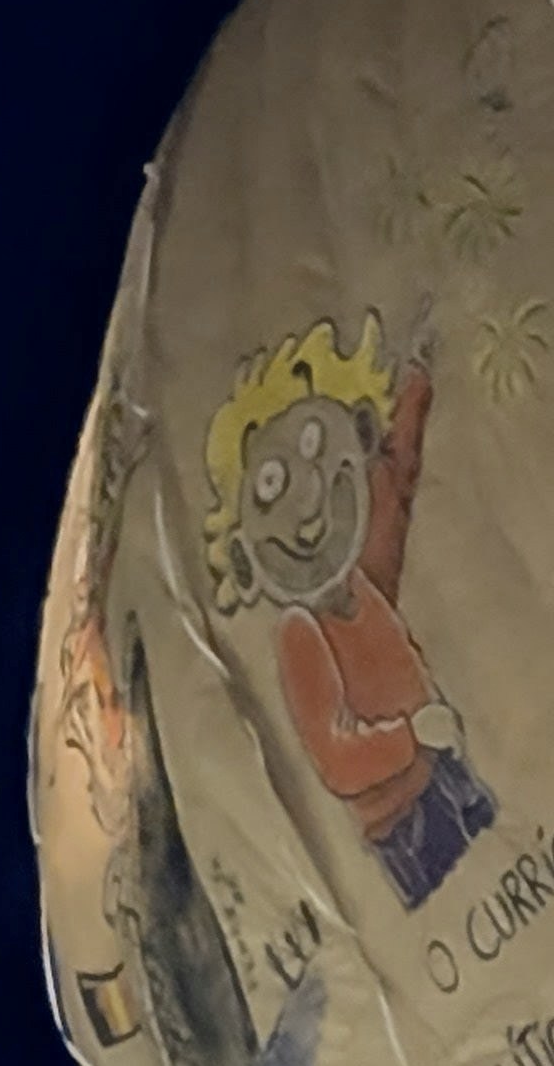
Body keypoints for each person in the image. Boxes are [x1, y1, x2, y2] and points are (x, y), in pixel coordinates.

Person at [202, 322, 490, 908]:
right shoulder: (300, 634)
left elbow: (395, 492)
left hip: (444, 782)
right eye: (273, 486)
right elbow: (335, 757)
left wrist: (415, 386)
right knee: (471, 910)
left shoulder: (360, 583)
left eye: (316, 451)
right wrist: (412, 735)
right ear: (245, 556)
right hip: (406, 826)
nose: (307, 497)